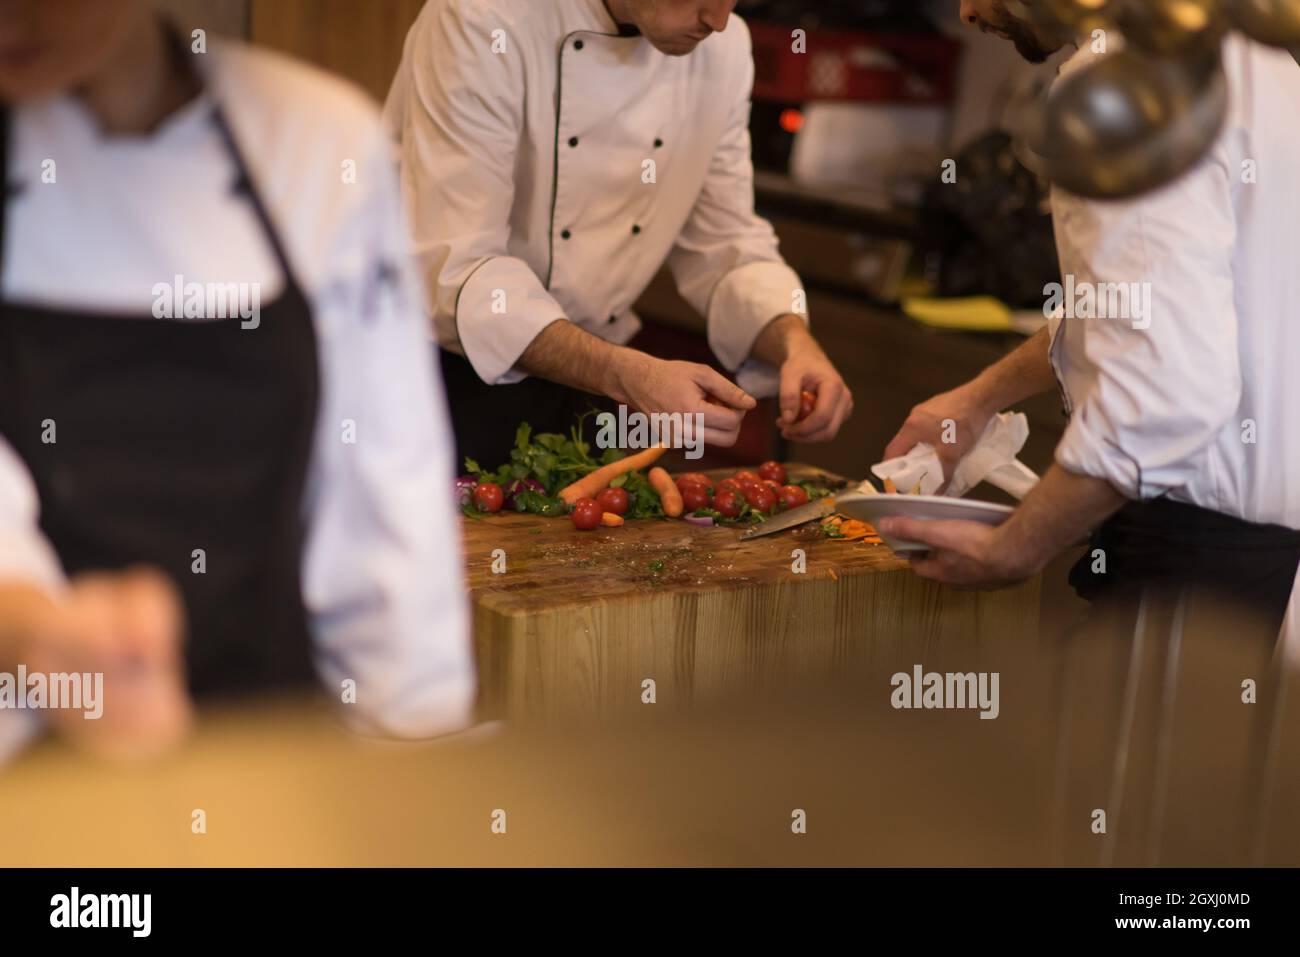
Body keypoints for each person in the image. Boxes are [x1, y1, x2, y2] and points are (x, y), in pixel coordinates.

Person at [0, 0, 475, 763]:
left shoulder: (318, 144)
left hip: (282, 770)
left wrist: (407, 776)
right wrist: (33, 631)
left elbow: (388, 515)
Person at [879, 2, 1300, 642]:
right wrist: (979, 398)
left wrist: (1015, 548)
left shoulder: (1112, 84)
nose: (966, 11)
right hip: (1261, 565)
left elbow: (1167, 388)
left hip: (1194, 568)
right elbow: (1172, 309)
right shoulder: (1254, 55)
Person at [384, 0, 854, 466]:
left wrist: (794, 343)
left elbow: (725, 243)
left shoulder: (724, 49)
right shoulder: (482, 20)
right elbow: (459, 267)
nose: (718, 20)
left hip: (589, 384)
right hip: (439, 382)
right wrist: (628, 374)